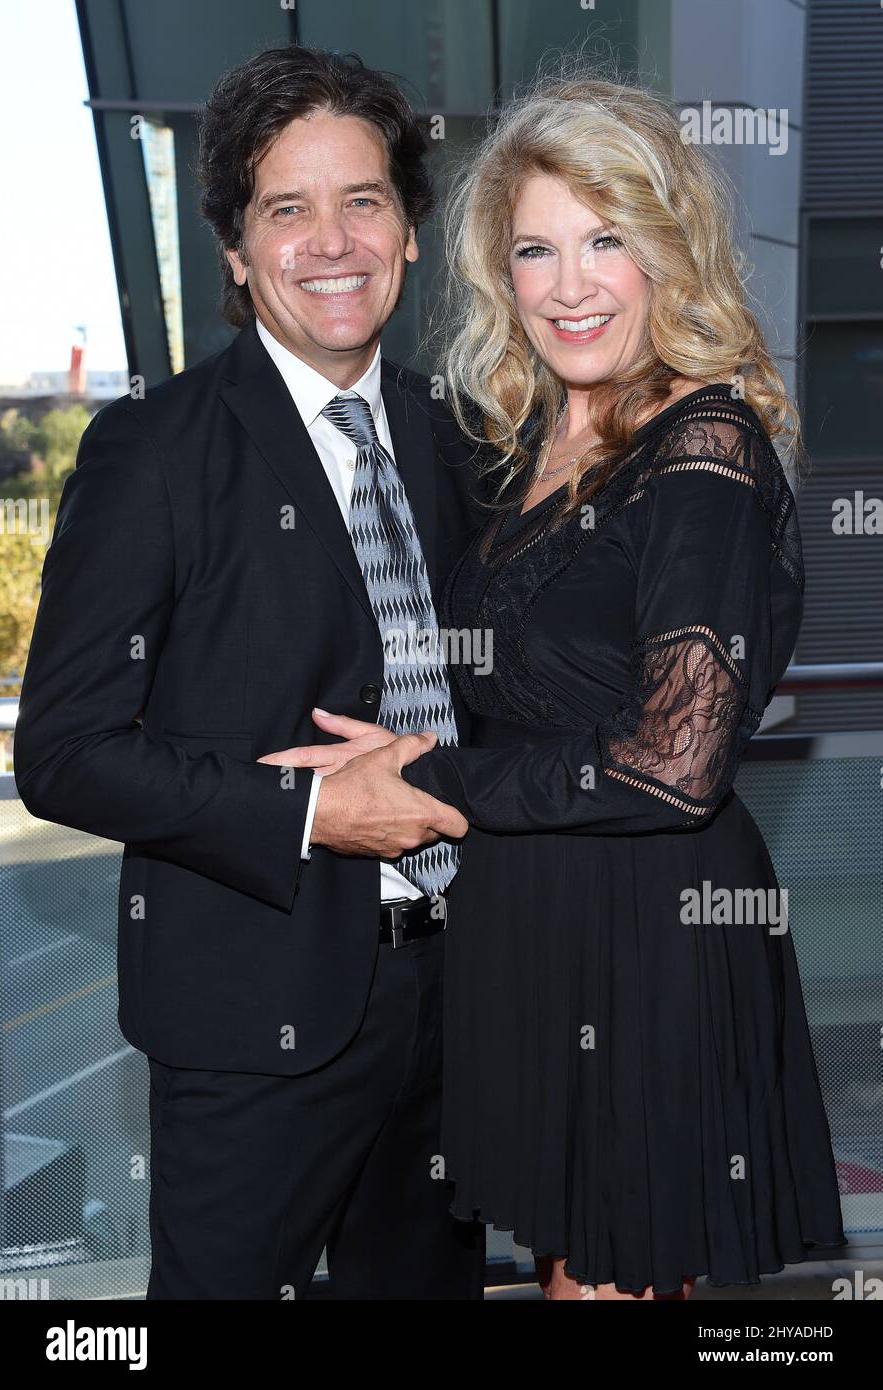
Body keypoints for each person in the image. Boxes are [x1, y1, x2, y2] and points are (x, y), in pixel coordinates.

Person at [288, 71, 847, 1300]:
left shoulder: (699, 446)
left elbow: (670, 762)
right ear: (501, 275)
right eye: (534, 249)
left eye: (606, 241)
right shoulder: (541, 436)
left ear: (667, 250)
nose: (570, 283)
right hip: (535, 922)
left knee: (606, 1283)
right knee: (566, 1277)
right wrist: (413, 739)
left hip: (644, 930)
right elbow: (544, 688)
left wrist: (425, 779)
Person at [13, 45, 486, 1300]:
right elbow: (61, 751)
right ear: (233, 248)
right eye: (287, 208)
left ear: (410, 232)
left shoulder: (461, 436)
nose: (331, 242)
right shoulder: (151, 452)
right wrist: (319, 811)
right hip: (250, 1015)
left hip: (461, 996)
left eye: (363, 201)